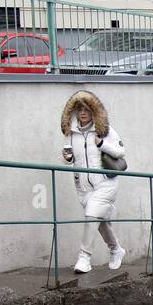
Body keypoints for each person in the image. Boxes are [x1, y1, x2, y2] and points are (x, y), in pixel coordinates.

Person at [61, 90, 127, 274]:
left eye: (87, 109)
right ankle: (116, 250)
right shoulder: (71, 133)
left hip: (105, 183)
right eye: (80, 109)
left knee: (91, 215)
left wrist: (101, 144)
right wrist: (66, 158)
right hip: (83, 186)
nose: (83, 113)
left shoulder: (104, 130)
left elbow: (121, 152)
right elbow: (68, 158)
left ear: (93, 111)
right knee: (99, 219)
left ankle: (84, 258)